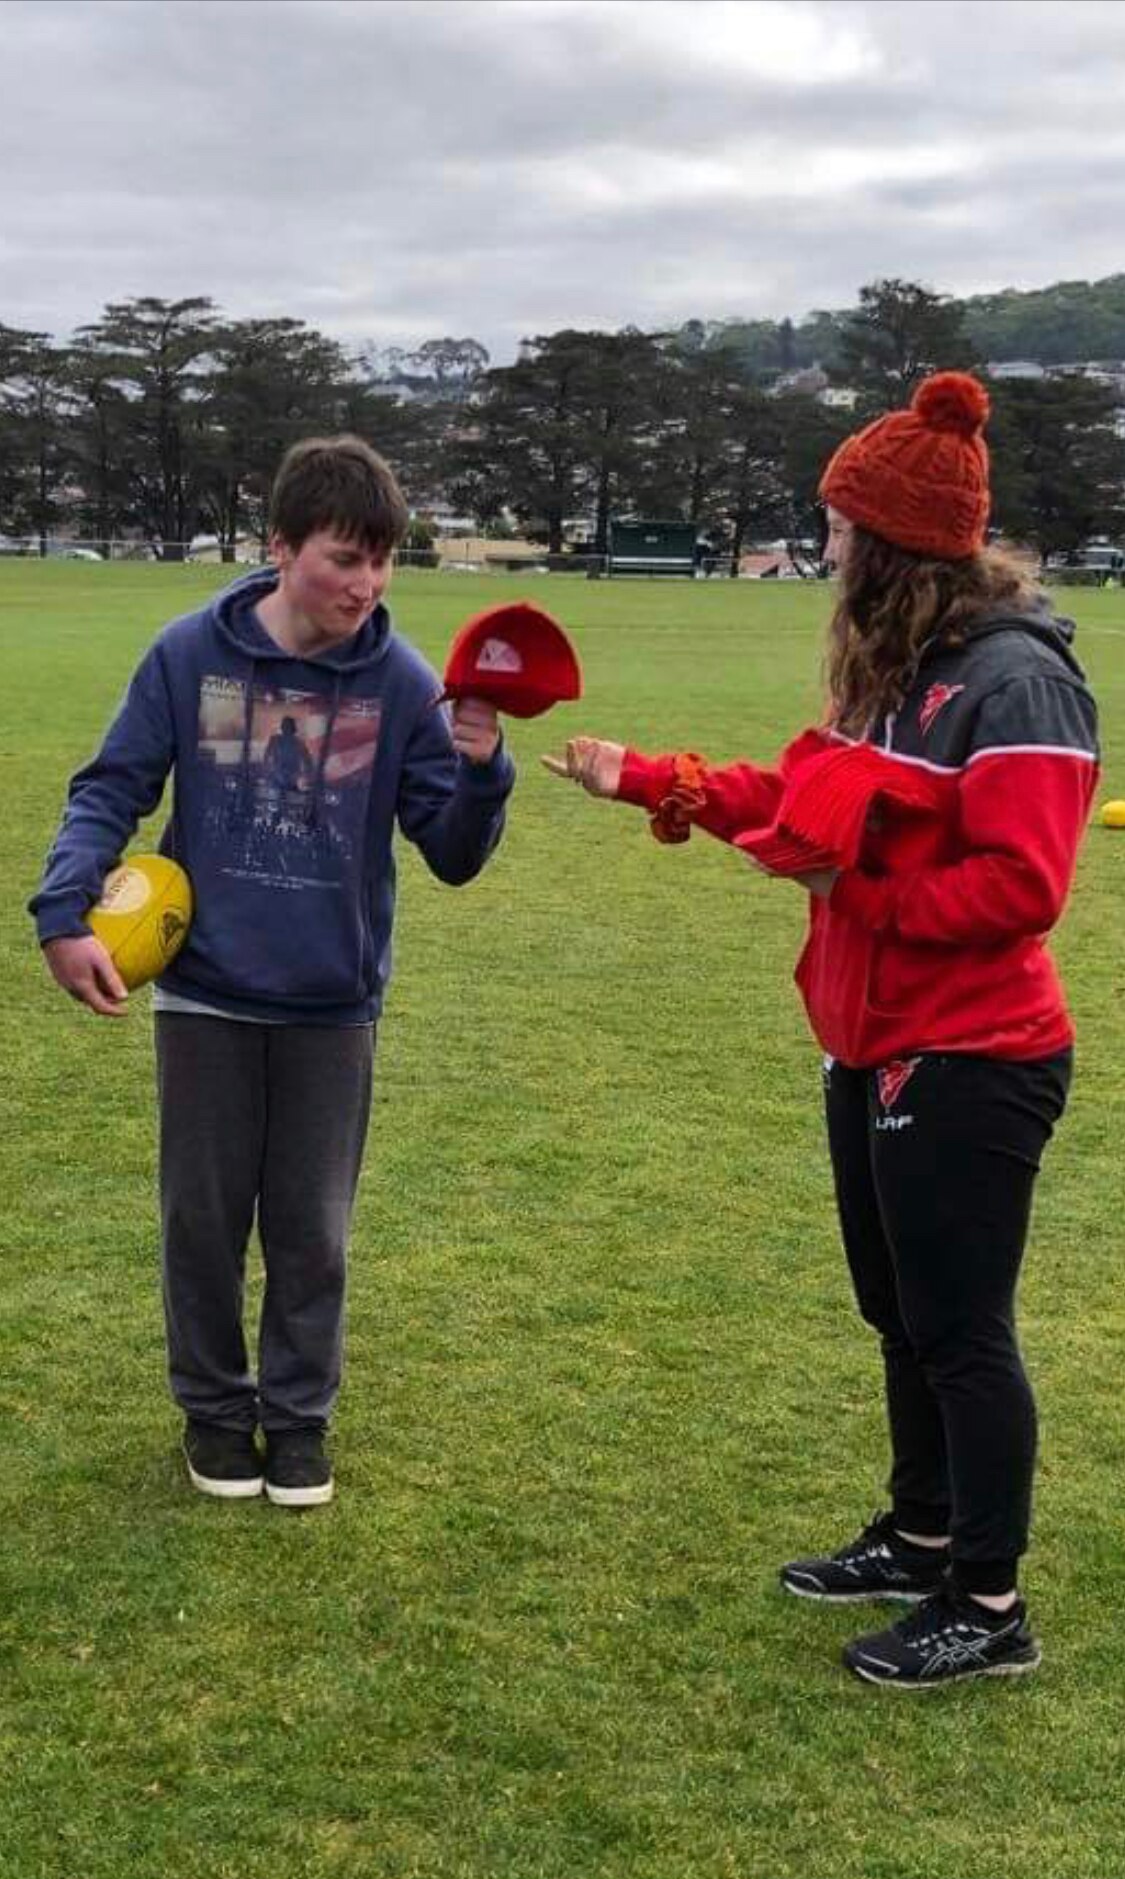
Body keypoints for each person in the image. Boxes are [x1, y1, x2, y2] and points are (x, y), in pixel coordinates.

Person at [543, 372, 1099, 1687]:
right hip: (872, 1039)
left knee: (961, 1327)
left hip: (974, 1057)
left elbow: (1025, 887)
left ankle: (988, 1596)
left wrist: (857, 890)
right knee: (899, 1309)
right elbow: (797, 798)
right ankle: (919, 1531)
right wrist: (653, 780)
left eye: (842, 525)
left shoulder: (1014, 683)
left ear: (896, 543)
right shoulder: (898, 670)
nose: (827, 546)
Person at [31, 435, 515, 1509]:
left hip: (331, 1004)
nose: (367, 583)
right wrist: (64, 911)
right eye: (345, 558)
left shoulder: (401, 680)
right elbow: (110, 786)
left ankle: (296, 1421)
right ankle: (213, 1410)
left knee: (314, 1230)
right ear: (281, 546)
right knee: (200, 1220)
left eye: (383, 560)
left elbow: (453, 851)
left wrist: (484, 771)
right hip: (203, 993)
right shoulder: (185, 655)